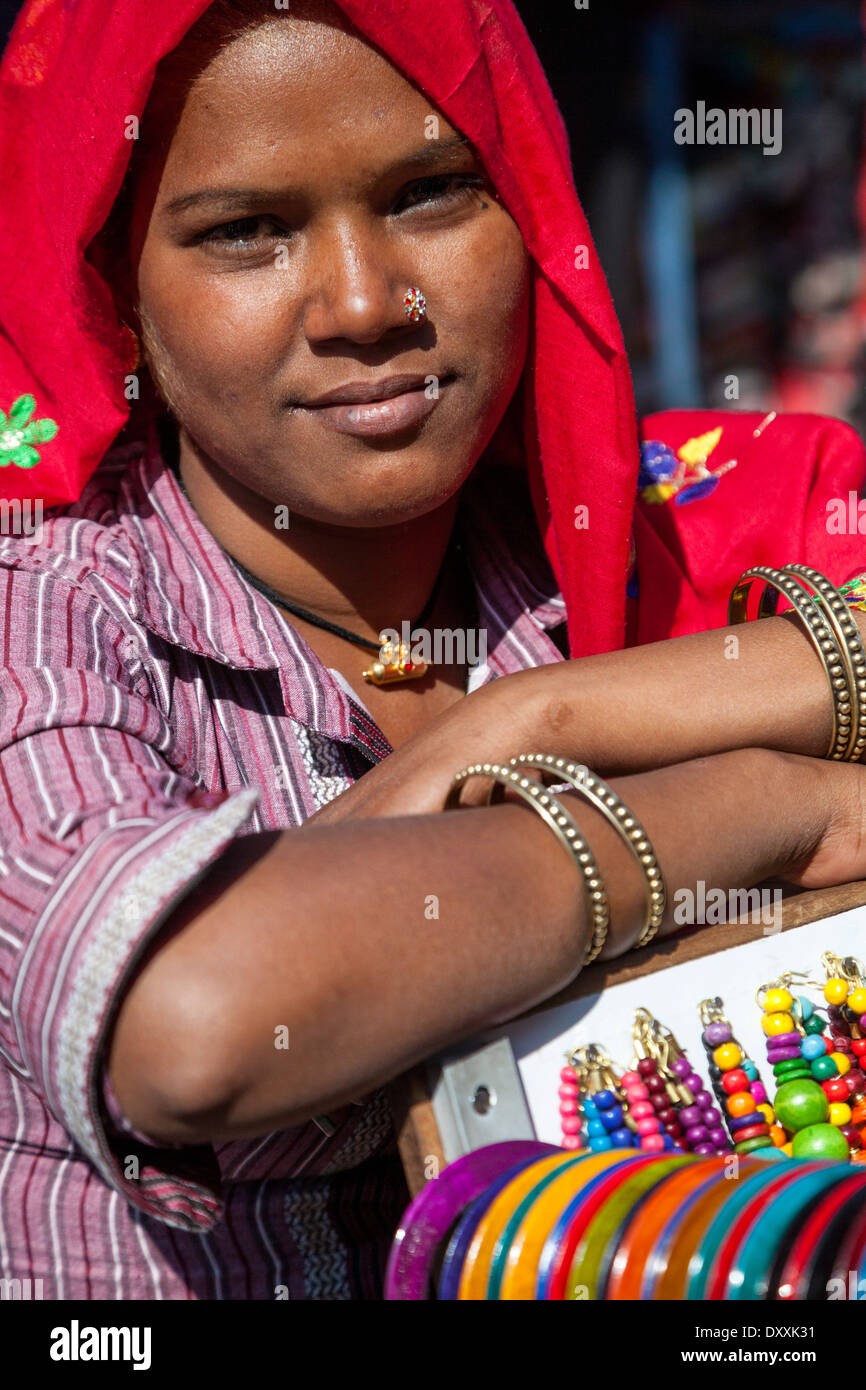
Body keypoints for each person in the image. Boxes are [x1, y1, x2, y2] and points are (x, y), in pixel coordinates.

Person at [1, 0, 865, 1300]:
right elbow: (190, 1025)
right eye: (245, 229)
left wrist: (525, 721)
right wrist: (759, 804)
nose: (363, 303)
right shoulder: (49, 609)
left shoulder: (656, 526)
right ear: (114, 273)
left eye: (430, 193)